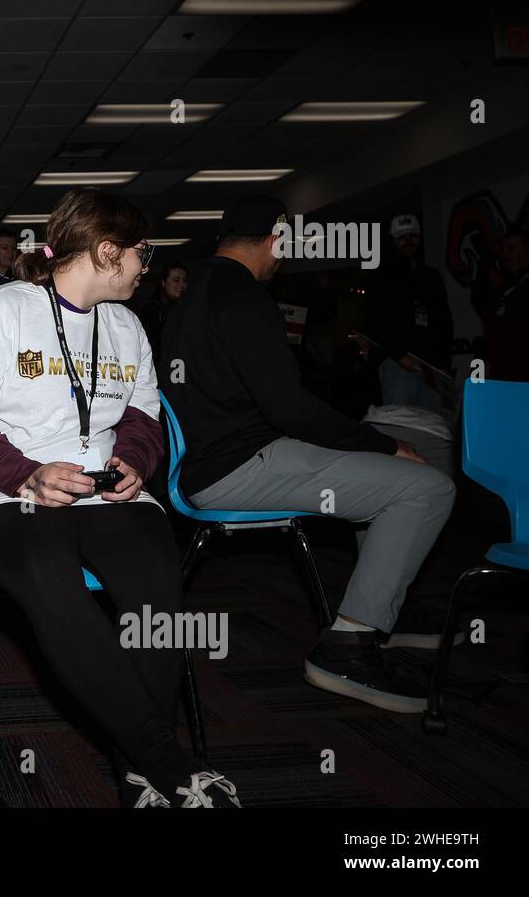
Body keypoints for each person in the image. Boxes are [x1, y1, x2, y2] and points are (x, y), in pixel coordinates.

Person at [0, 188, 241, 808]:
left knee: (156, 571)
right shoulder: (2, 312)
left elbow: (144, 416)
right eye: (139, 252)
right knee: (50, 575)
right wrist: (28, 474)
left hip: (106, 489)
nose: (145, 265)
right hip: (7, 492)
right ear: (107, 252)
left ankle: (138, 775)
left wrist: (137, 460)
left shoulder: (127, 325)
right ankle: (164, 762)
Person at [161, 196, 456, 715]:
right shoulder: (247, 298)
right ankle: (350, 646)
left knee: (385, 480)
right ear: (276, 241)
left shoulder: (189, 295)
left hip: (213, 460)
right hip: (238, 465)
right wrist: (387, 442)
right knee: (428, 487)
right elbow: (290, 408)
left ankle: (388, 604)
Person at [363, 214, 454, 409]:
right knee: (403, 424)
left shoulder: (430, 276)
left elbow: (444, 320)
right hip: (396, 364)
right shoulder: (380, 276)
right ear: (393, 241)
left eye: (413, 236)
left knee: (432, 428)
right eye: (402, 237)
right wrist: (399, 355)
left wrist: (444, 361)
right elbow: (374, 322)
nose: (408, 241)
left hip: (431, 367)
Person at [481, 228, 529, 381]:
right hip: (501, 374)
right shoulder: (503, 288)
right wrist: (486, 361)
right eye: (503, 249)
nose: (505, 254)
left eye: (511, 248)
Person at [137, 259, 187, 360]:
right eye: (176, 280)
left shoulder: (186, 308)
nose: (181, 285)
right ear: (163, 282)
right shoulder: (152, 310)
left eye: (184, 281)